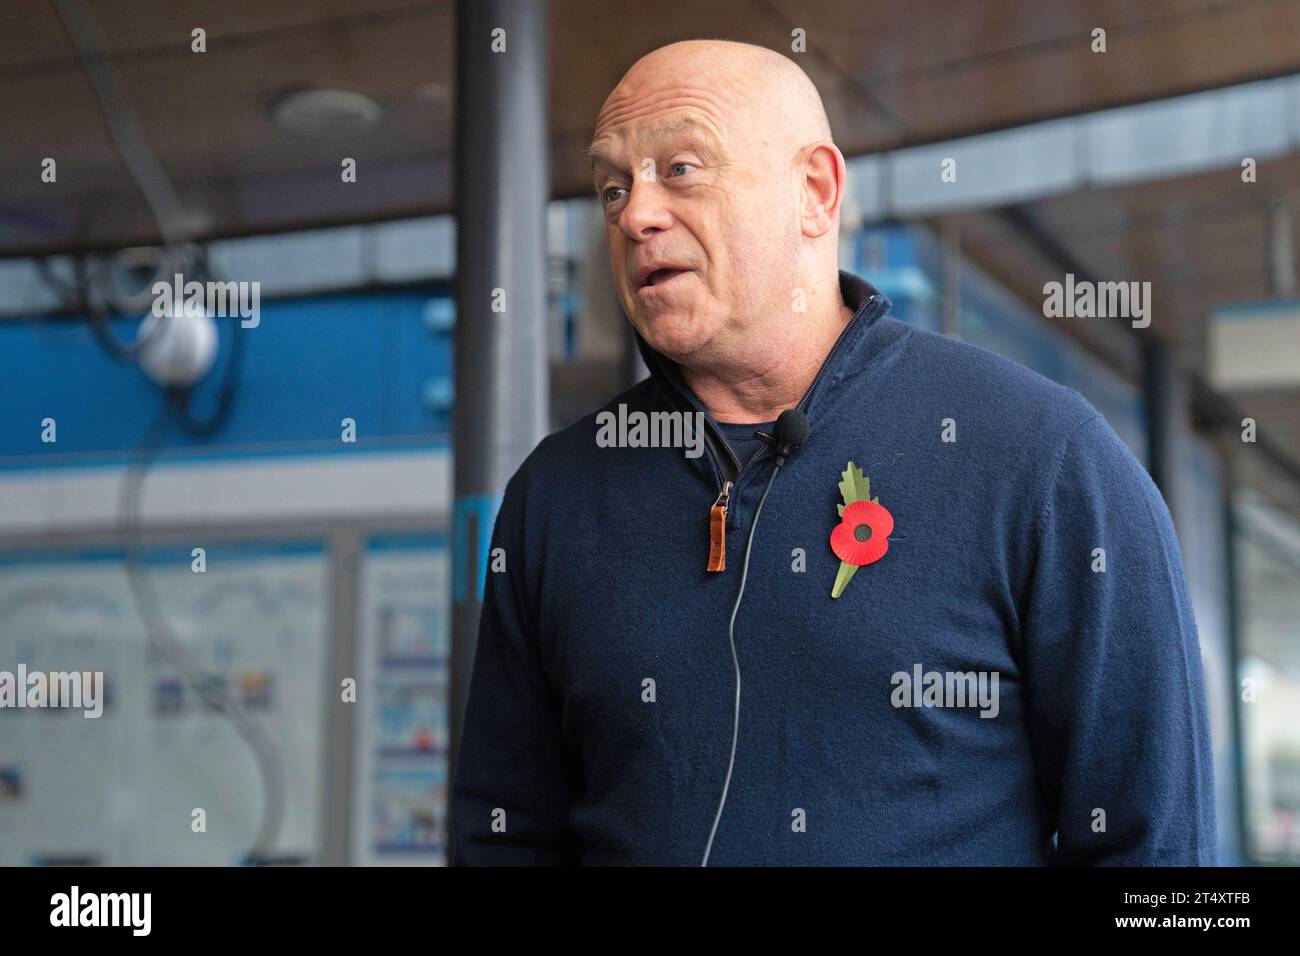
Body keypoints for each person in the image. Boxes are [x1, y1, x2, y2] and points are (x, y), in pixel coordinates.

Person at [449, 39, 1216, 865]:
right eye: (612, 186)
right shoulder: (556, 495)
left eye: (680, 168)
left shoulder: (1045, 460)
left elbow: (1157, 858)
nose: (636, 214)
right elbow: (504, 834)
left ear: (815, 192)